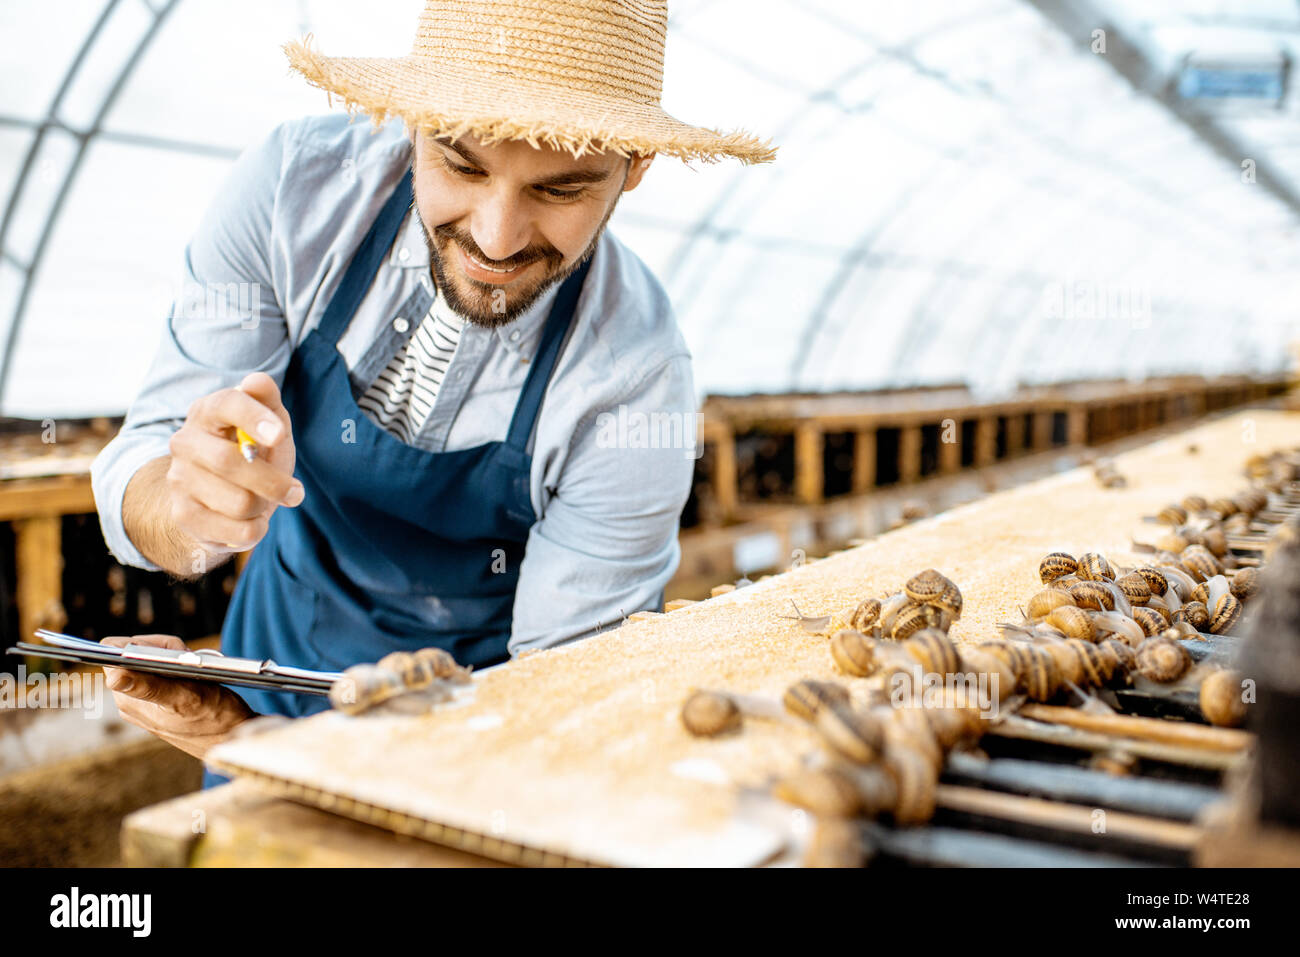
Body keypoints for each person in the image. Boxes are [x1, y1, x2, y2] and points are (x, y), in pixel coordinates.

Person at [89, 0, 775, 774]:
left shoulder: (635, 383)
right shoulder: (296, 195)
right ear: (412, 119)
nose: (495, 238)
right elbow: (146, 459)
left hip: (476, 736)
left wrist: (244, 741)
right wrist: (184, 509)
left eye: (560, 190)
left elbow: (564, 715)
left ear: (635, 168)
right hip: (276, 664)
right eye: (461, 161)